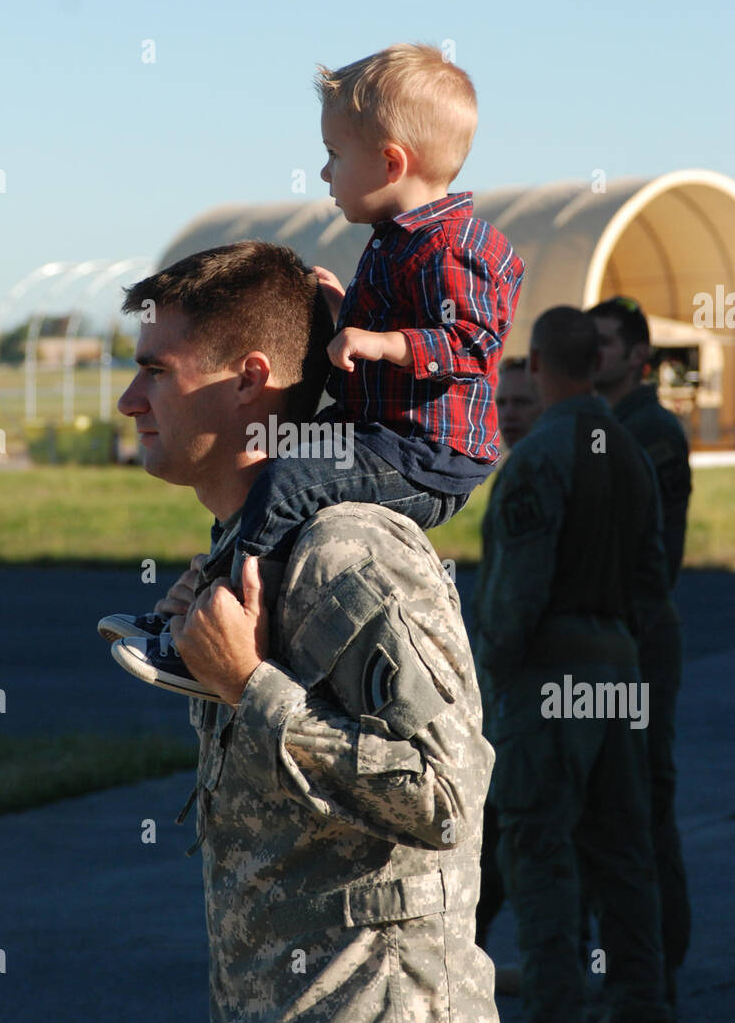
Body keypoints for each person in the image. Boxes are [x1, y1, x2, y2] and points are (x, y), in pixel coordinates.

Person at [112, 242, 501, 1023]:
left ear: (249, 381)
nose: (129, 398)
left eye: (156, 372)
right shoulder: (251, 553)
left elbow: (447, 794)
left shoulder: (346, 551)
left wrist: (254, 688)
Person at [102, 42, 523, 698]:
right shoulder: (398, 242)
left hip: (426, 453)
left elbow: (472, 345)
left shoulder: (452, 250)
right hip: (385, 434)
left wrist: (388, 345)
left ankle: (236, 631)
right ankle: (191, 612)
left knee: (291, 478)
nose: (323, 174)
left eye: (333, 155)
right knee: (269, 464)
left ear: (390, 161)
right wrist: (342, 308)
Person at [473, 306, 673, 1023]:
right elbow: (654, 577)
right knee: (623, 846)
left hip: (550, 675)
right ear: (597, 362)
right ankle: (640, 1014)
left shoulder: (538, 458)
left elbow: (516, 592)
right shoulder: (628, 450)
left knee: (540, 846)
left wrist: (500, 667)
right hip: (619, 668)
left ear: (540, 363)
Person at [589, 295, 692, 1014]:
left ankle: (658, 967)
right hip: (614, 640)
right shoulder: (608, 425)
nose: (595, 355)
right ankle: (628, 964)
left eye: (606, 344)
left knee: (644, 805)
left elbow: (630, 546)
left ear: (636, 356)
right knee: (609, 806)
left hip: (641, 639)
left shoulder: (648, 429)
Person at [474, 358, 542, 957]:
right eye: (505, 403)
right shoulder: (517, 470)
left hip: (524, 684)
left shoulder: (536, 476)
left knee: (521, 832)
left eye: (524, 402)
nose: (511, 414)